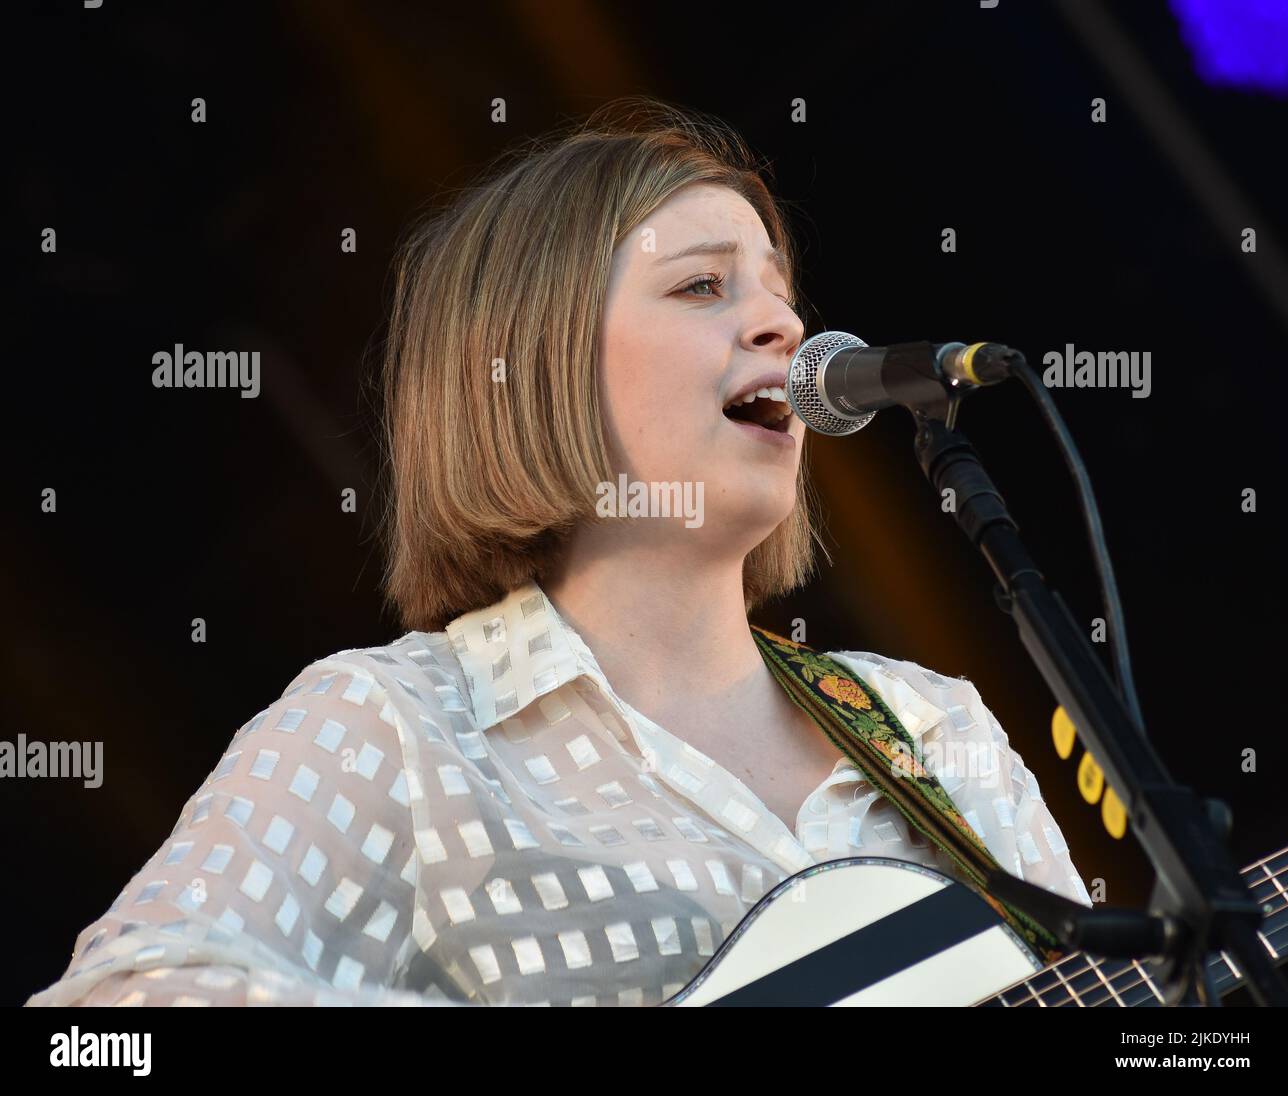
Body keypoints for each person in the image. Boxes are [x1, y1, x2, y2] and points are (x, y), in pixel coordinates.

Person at [26, 97, 1090, 1008]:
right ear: (538, 363)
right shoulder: (392, 726)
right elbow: (114, 1008)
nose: (783, 325)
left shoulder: (930, 726)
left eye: (781, 290)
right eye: (703, 285)